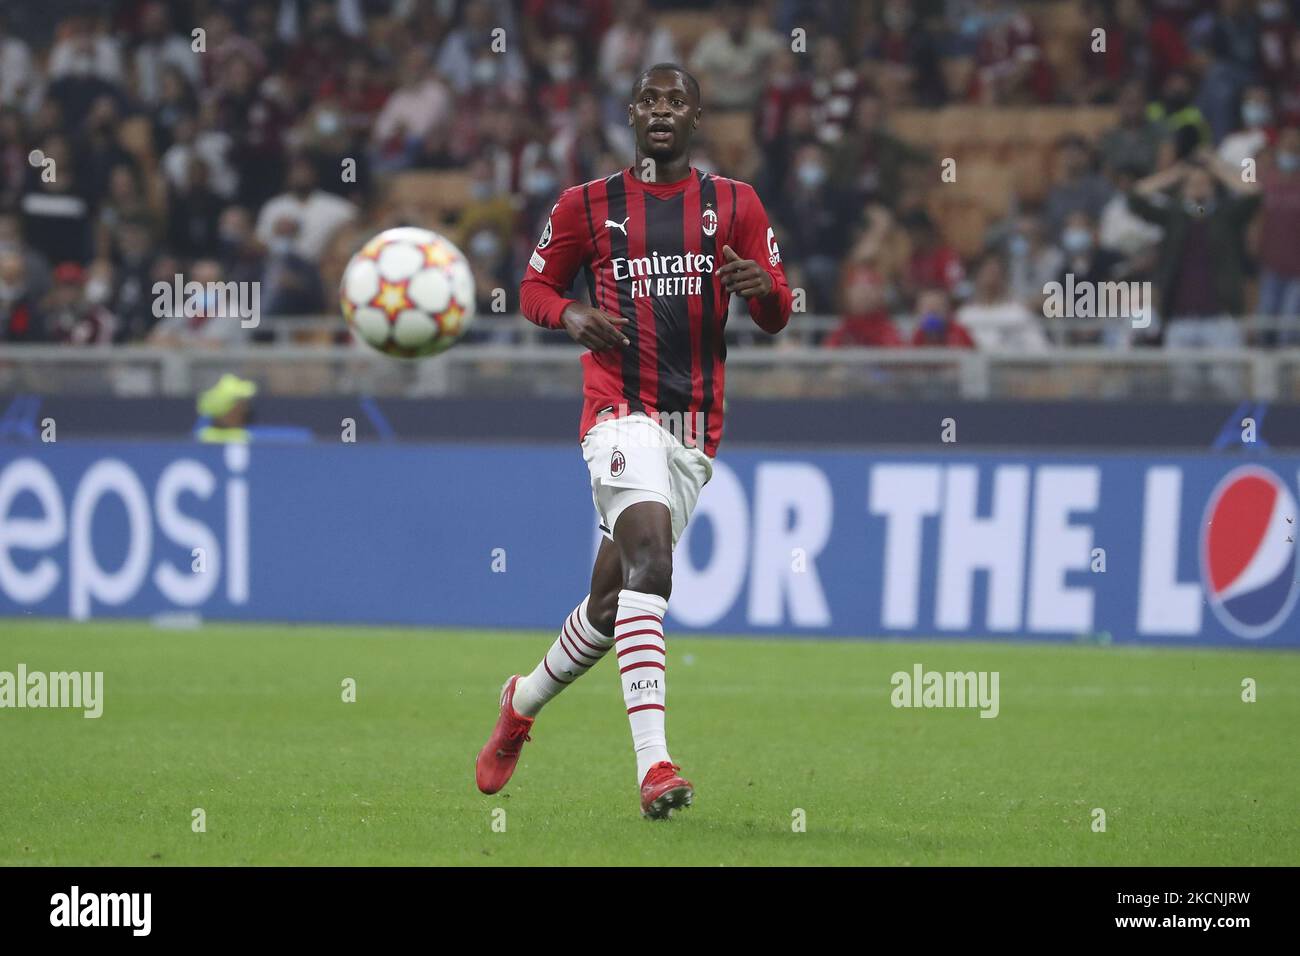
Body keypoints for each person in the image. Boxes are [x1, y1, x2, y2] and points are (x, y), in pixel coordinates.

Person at [477, 64, 792, 819]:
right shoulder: (586, 205)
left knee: (614, 600)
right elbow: (532, 290)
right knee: (654, 559)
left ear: (695, 118)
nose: (660, 109)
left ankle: (521, 701)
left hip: (693, 429)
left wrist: (765, 292)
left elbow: (778, 314)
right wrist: (572, 318)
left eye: (675, 100)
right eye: (648, 99)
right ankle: (655, 767)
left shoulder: (735, 204)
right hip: (617, 412)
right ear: (631, 115)